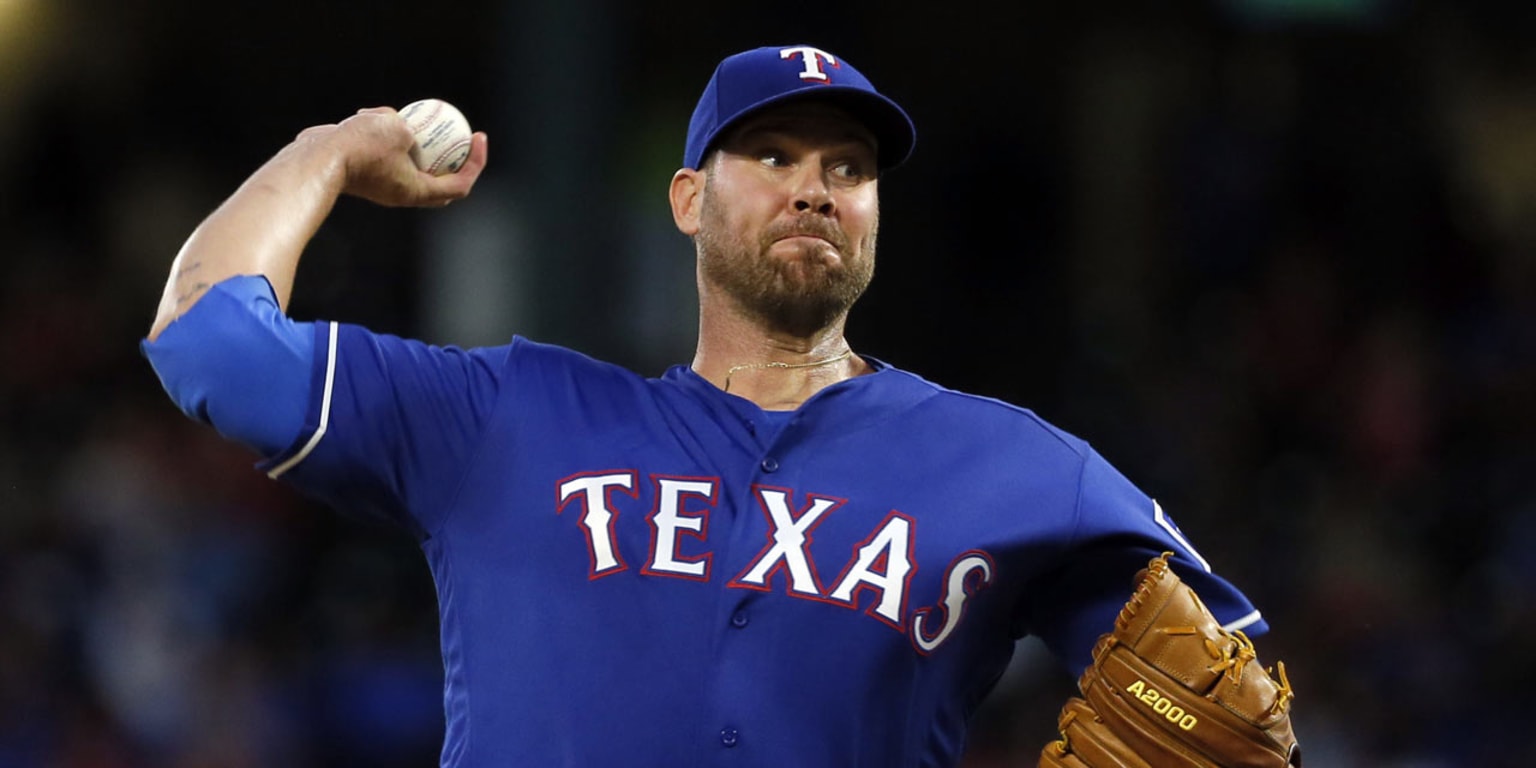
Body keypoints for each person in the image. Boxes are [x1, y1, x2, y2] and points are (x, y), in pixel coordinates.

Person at [143, 44, 1271, 767]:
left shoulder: (1013, 470)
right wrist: (327, 153)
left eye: (848, 167)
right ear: (688, 200)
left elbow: (1232, 711)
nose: (813, 186)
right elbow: (208, 344)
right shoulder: (508, 414)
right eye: (771, 152)